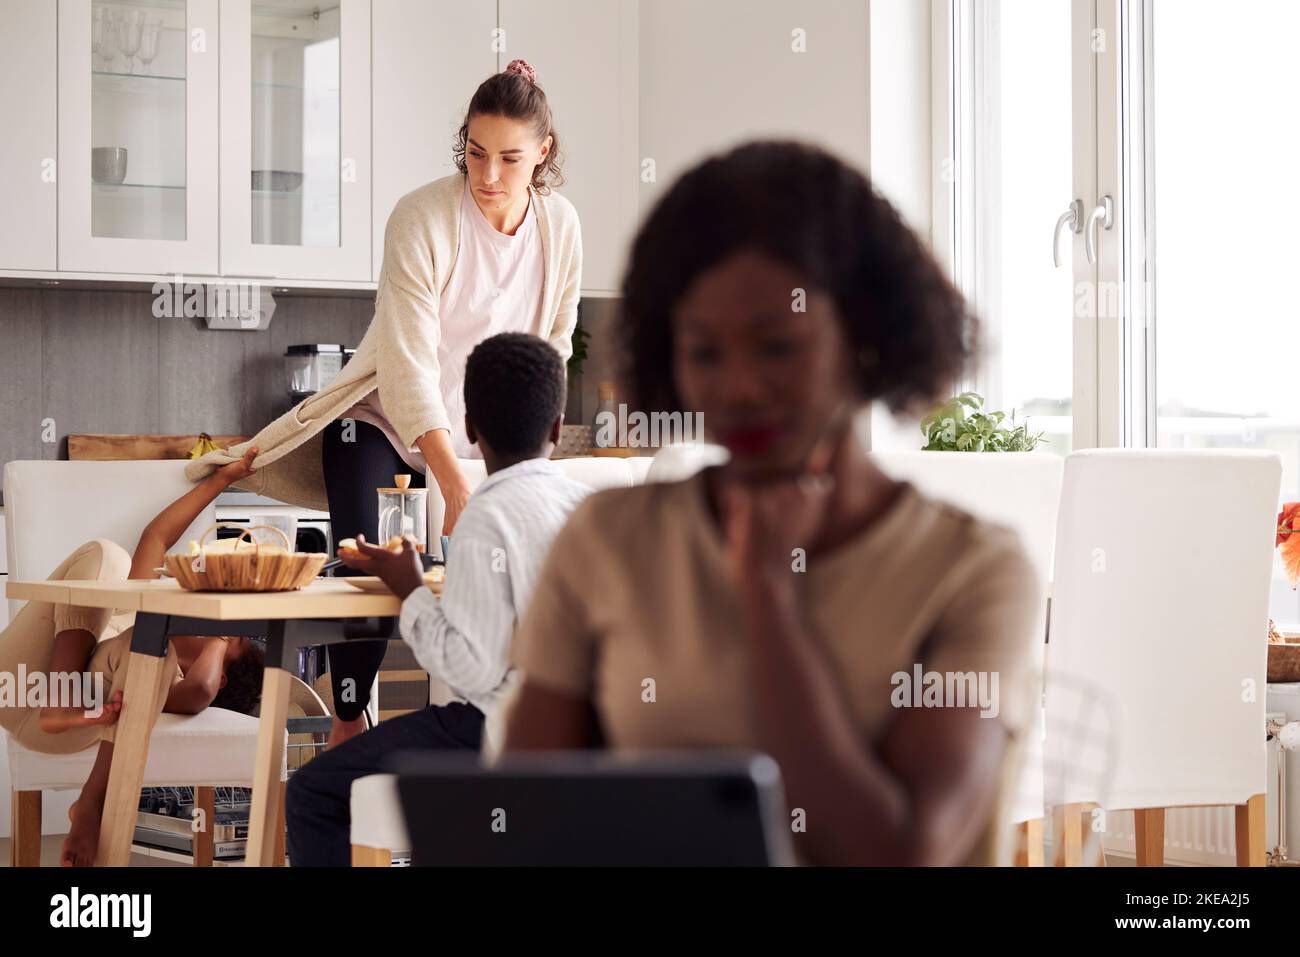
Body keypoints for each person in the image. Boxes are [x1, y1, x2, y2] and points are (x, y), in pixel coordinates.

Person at [504, 141, 1045, 866]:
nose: (738, 389)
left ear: (865, 334)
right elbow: (520, 824)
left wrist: (771, 598)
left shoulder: (974, 569)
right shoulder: (609, 538)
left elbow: (901, 851)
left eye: (778, 346)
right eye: (703, 352)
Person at [184, 58, 582, 750]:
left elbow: (554, 347)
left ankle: (485, 736)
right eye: (476, 152)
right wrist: (450, 477)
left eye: (510, 159)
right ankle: (347, 720)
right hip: (387, 420)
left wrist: (508, 462)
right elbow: (404, 363)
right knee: (364, 568)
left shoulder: (561, 229)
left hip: (488, 436)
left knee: (481, 587)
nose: (488, 175)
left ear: (542, 153)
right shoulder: (423, 216)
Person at [285, 333, 591, 866]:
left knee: (312, 792)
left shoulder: (487, 513)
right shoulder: (586, 505)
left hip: (502, 733)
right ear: (559, 428)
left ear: (468, 428)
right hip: (593, 735)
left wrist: (410, 591)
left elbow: (472, 668)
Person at [0, 448, 266, 866]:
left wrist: (222, 634)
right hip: (20, 681)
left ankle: (89, 803)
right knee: (108, 554)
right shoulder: (140, 603)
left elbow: (200, 689)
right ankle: (61, 697)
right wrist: (221, 481)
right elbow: (156, 537)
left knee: (150, 652)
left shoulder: (175, 686)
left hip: (49, 725)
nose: (207, 621)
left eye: (222, 640)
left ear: (221, 674)